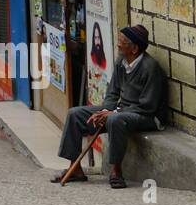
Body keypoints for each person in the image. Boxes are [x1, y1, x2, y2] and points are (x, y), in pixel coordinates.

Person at [52, 24, 167, 188]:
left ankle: (116, 170)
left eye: (122, 42)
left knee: (114, 119)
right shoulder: (121, 61)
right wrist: (106, 110)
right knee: (75, 114)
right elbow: (113, 93)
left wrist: (113, 113)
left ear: (134, 49)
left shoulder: (150, 68)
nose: (118, 45)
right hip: (121, 111)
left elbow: (147, 106)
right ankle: (75, 168)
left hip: (146, 115)